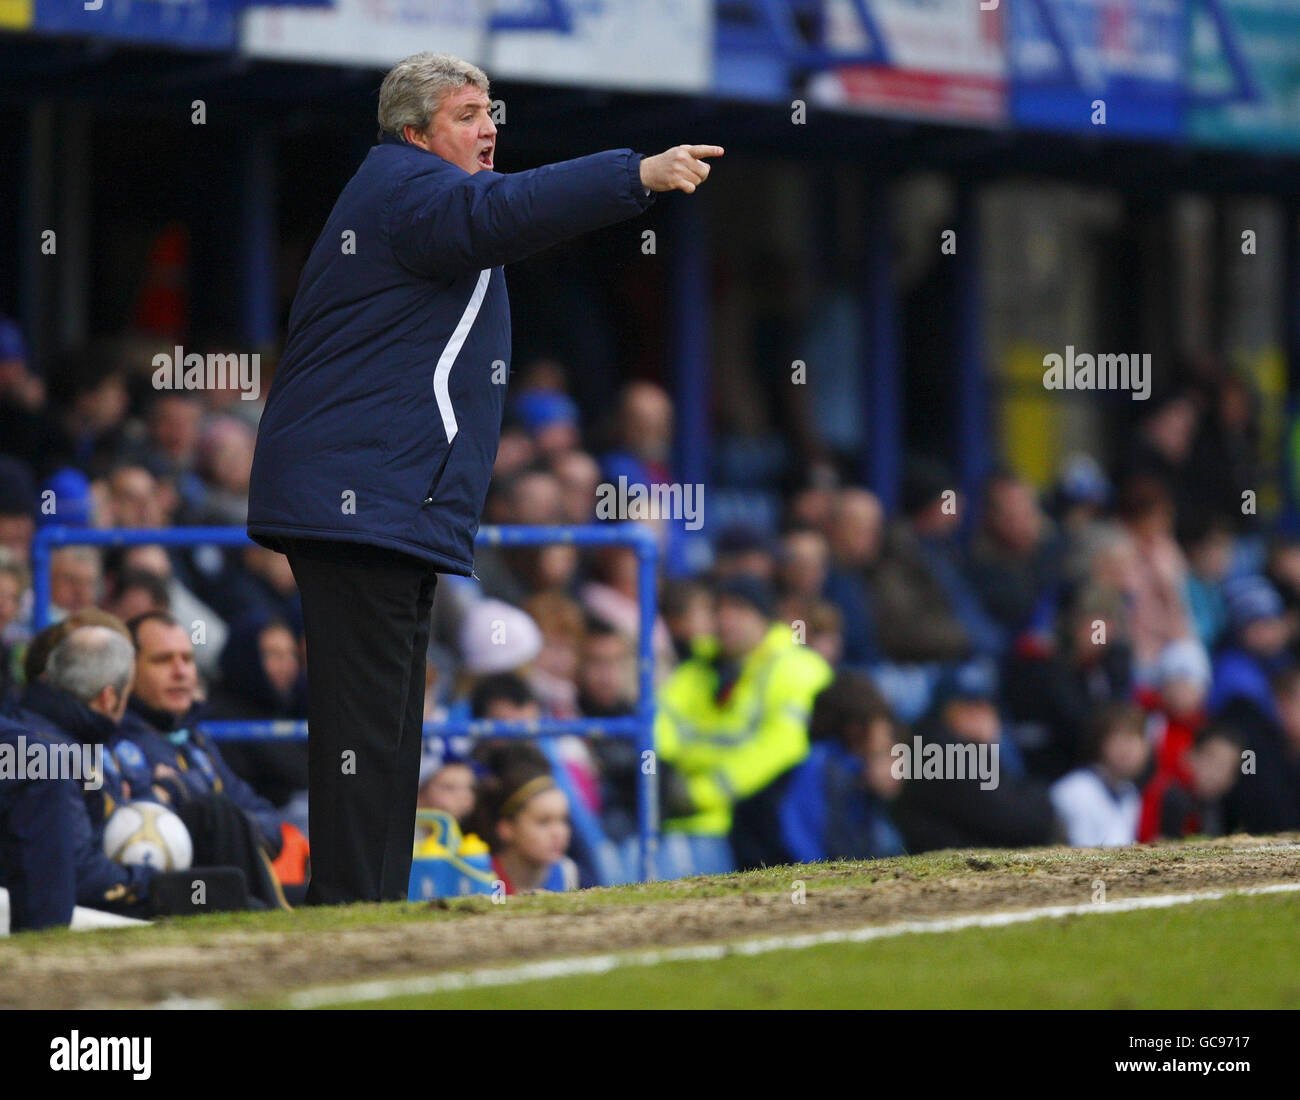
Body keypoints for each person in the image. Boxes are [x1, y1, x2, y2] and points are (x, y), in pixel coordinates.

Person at [244, 50, 721, 905]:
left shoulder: (415, 196)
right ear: (416, 132)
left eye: (491, 110)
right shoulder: (407, 188)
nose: (489, 127)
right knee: (365, 730)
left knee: (389, 730)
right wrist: (635, 174)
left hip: (383, 504)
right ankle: (351, 914)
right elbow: (508, 209)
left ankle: (369, 908)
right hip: (360, 502)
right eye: (468, 115)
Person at [655, 576, 833, 871]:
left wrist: (701, 791)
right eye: (719, 609)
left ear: (763, 616)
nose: (726, 620)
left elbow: (784, 746)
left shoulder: (797, 667)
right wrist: (662, 768)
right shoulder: (696, 669)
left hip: (763, 817)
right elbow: (660, 720)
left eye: (738, 608)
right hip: (690, 818)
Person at [778, 671, 905, 863]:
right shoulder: (829, 768)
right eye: (879, 723)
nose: (886, 733)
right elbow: (831, 843)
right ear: (854, 728)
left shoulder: (844, 766)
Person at [1050, 703, 1149, 848]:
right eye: (1120, 739)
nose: (1129, 749)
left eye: (1135, 739)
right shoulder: (1075, 791)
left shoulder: (1129, 792)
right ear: (1100, 743)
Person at [473, 764, 578, 895]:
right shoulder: (476, 876)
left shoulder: (566, 871)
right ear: (506, 828)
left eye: (563, 820)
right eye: (543, 821)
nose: (559, 832)